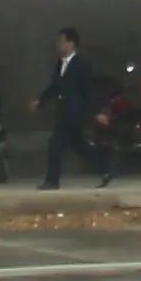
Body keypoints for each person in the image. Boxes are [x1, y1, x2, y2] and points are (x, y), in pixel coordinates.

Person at [33, 27, 91, 191]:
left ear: (71, 43)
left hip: (75, 114)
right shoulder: (60, 64)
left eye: (61, 42)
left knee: (55, 145)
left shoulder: (82, 65)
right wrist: (41, 101)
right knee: (82, 148)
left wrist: (94, 112)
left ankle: (52, 181)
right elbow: (55, 87)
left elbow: (88, 91)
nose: (58, 45)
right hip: (64, 113)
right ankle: (106, 169)